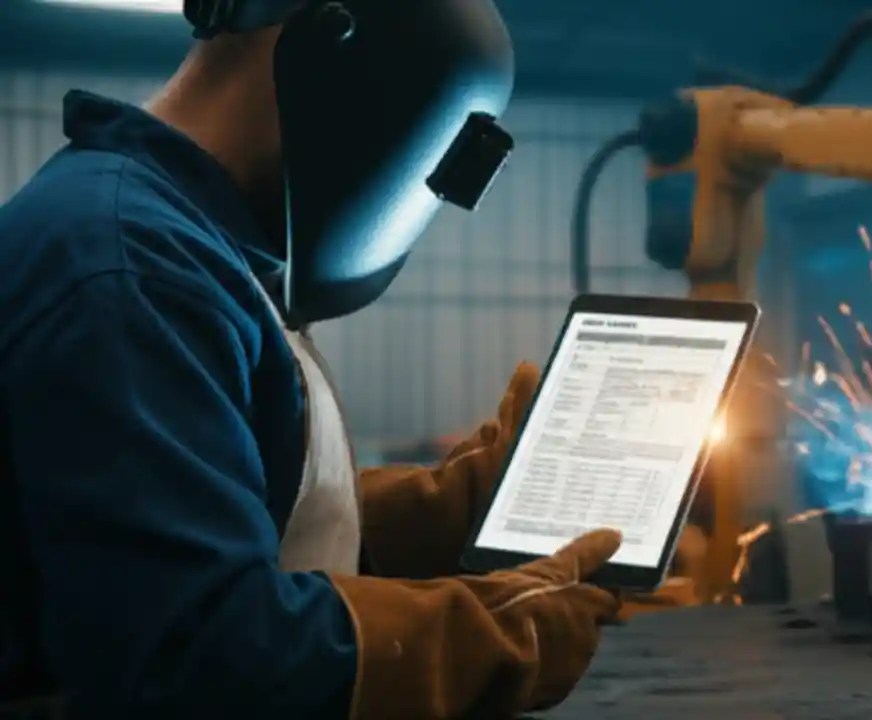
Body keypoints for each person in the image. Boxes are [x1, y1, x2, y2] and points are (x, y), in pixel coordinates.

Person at [0, 1, 622, 718]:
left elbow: (218, 526)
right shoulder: (128, 266)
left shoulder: (187, 242)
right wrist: (488, 634)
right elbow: (202, 659)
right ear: (346, 62)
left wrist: (459, 510)